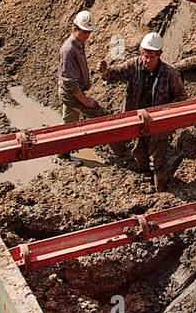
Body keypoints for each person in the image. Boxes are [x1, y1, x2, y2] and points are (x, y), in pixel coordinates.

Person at [101, 32, 187, 191]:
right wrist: (106, 72)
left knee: (157, 159)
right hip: (137, 120)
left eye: (151, 57)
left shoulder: (170, 74)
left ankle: (161, 189)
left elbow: (181, 97)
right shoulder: (134, 65)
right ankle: (144, 182)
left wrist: (166, 111)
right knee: (139, 153)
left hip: (158, 124)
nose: (146, 60)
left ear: (159, 55)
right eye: (144, 55)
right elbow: (117, 73)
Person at [58, 10, 103, 166]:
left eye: (88, 33)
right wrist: (85, 101)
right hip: (71, 93)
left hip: (70, 91)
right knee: (100, 116)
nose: (87, 36)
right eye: (84, 32)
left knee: (69, 123)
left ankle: (62, 153)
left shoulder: (78, 45)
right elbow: (70, 83)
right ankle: (123, 153)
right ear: (75, 28)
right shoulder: (68, 50)